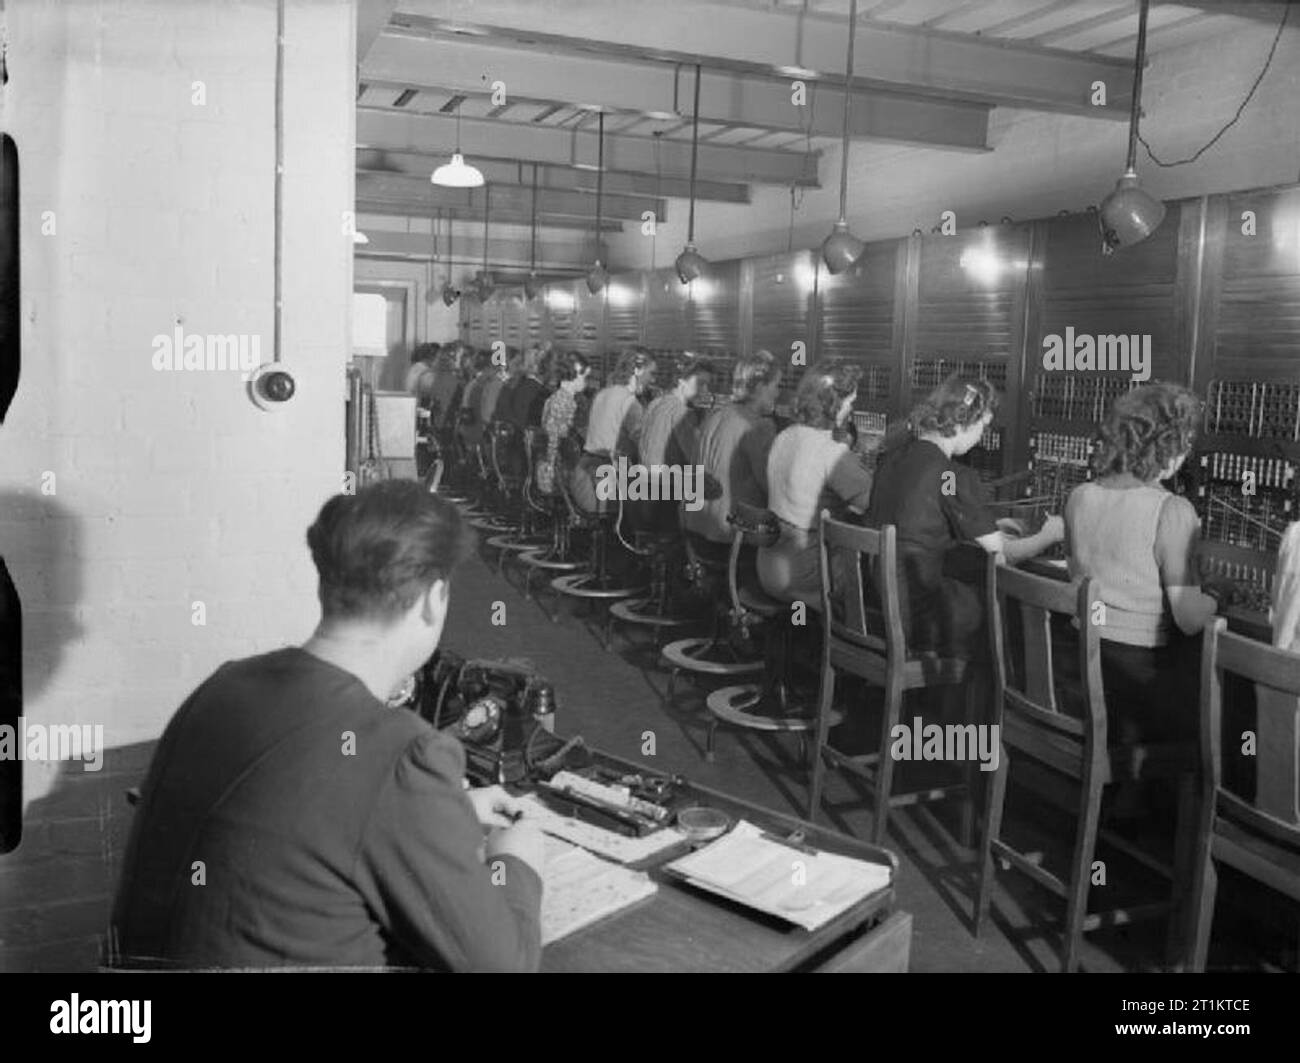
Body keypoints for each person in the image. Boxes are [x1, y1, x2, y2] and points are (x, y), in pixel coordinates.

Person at [111, 483, 544, 971]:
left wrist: (450, 811)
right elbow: (504, 967)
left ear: (326, 585)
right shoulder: (405, 754)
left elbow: (302, 818)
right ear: (433, 599)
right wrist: (514, 862)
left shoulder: (222, 688)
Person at [866, 375, 1063, 658]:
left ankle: (939, 698)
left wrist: (990, 526)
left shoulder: (894, 457)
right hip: (918, 617)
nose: (982, 435)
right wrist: (1050, 534)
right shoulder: (952, 474)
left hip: (881, 602)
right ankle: (982, 698)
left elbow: (916, 514)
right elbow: (1003, 556)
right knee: (1003, 608)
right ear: (964, 421)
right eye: (983, 426)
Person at [1064, 382, 1218, 744]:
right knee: (1215, 710)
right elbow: (1190, 618)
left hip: (1079, 668)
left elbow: (1079, 580)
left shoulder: (1079, 496)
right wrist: (1216, 593)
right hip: (1135, 686)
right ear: (1168, 448)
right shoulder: (1173, 510)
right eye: (1184, 446)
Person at [757, 363, 873, 606]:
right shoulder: (832, 452)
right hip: (805, 576)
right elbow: (873, 502)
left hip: (768, 567)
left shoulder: (783, 436)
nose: (850, 409)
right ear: (835, 403)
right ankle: (857, 638)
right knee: (875, 574)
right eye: (850, 402)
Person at [685, 349, 782, 568]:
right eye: (776, 386)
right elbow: (772, 488)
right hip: (730, 541)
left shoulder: (714, 415)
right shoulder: (758, 426)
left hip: (695, 533)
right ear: (758, 387)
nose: (778, 393)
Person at [571, 348, 656, 514]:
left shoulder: (602, 394)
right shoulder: (630, 403)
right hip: (607, 485)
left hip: (584, 476)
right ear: (637, 370)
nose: (652, 380)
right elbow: (645, 447)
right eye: (651, 373)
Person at [638, 352, 713, 531]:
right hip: (665, 501)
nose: (705, 391)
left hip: (641, 493)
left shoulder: (655, 403)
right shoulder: (681, 413)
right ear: (681, 381)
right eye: (700, 384)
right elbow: (697, 458)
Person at [536, 351, 591, 496]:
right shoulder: (567, 402)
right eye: (584, 377)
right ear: (571, 375)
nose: (586, 382)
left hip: (547, 469)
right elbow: (563, 444)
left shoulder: (554, 398)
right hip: (559, 473)